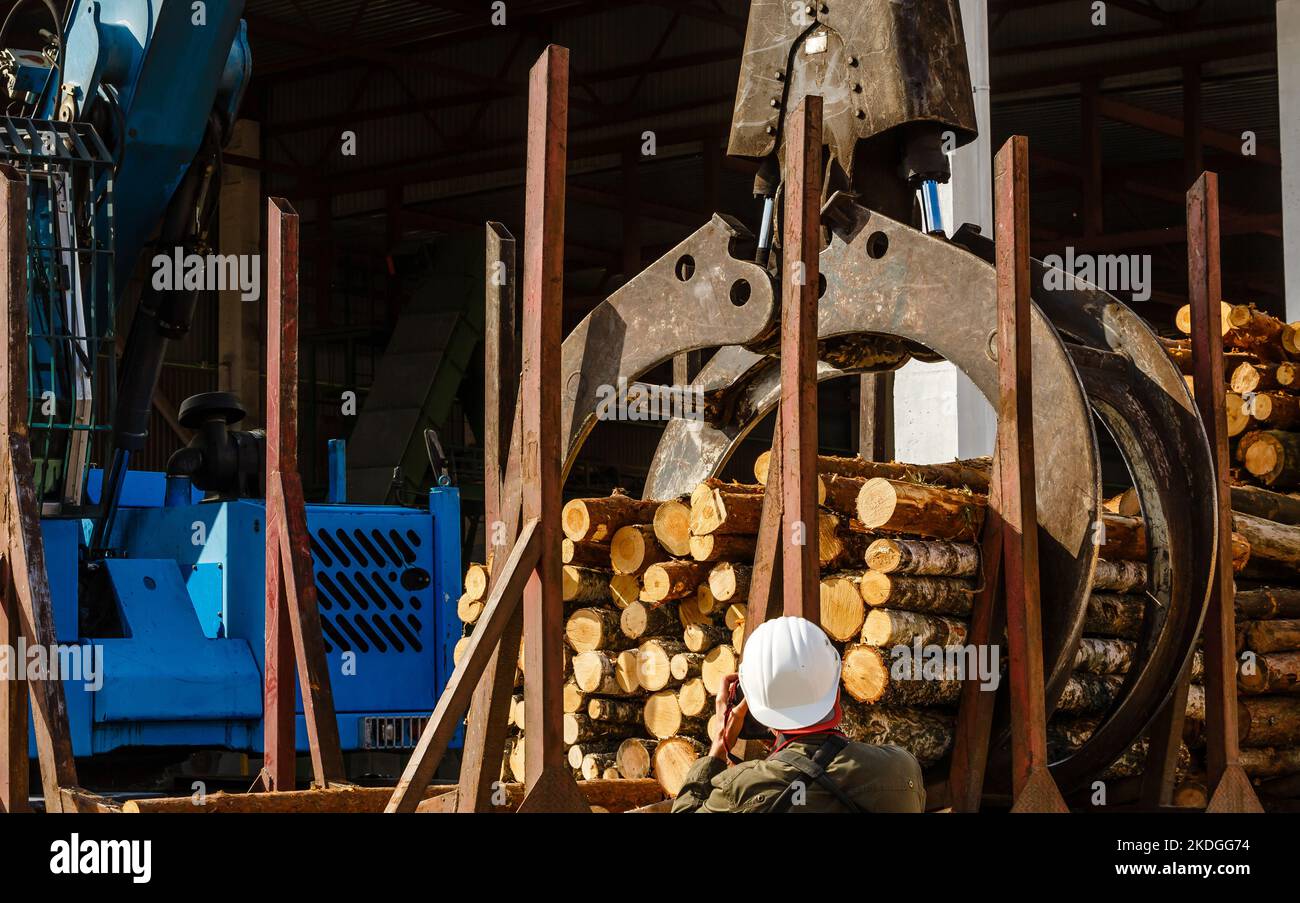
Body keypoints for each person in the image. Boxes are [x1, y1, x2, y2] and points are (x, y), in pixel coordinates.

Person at [671, 615, 925, 813]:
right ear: (836, 691)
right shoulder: (900, 768)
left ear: (756, 706)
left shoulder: (741, 788)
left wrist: (717, 749)